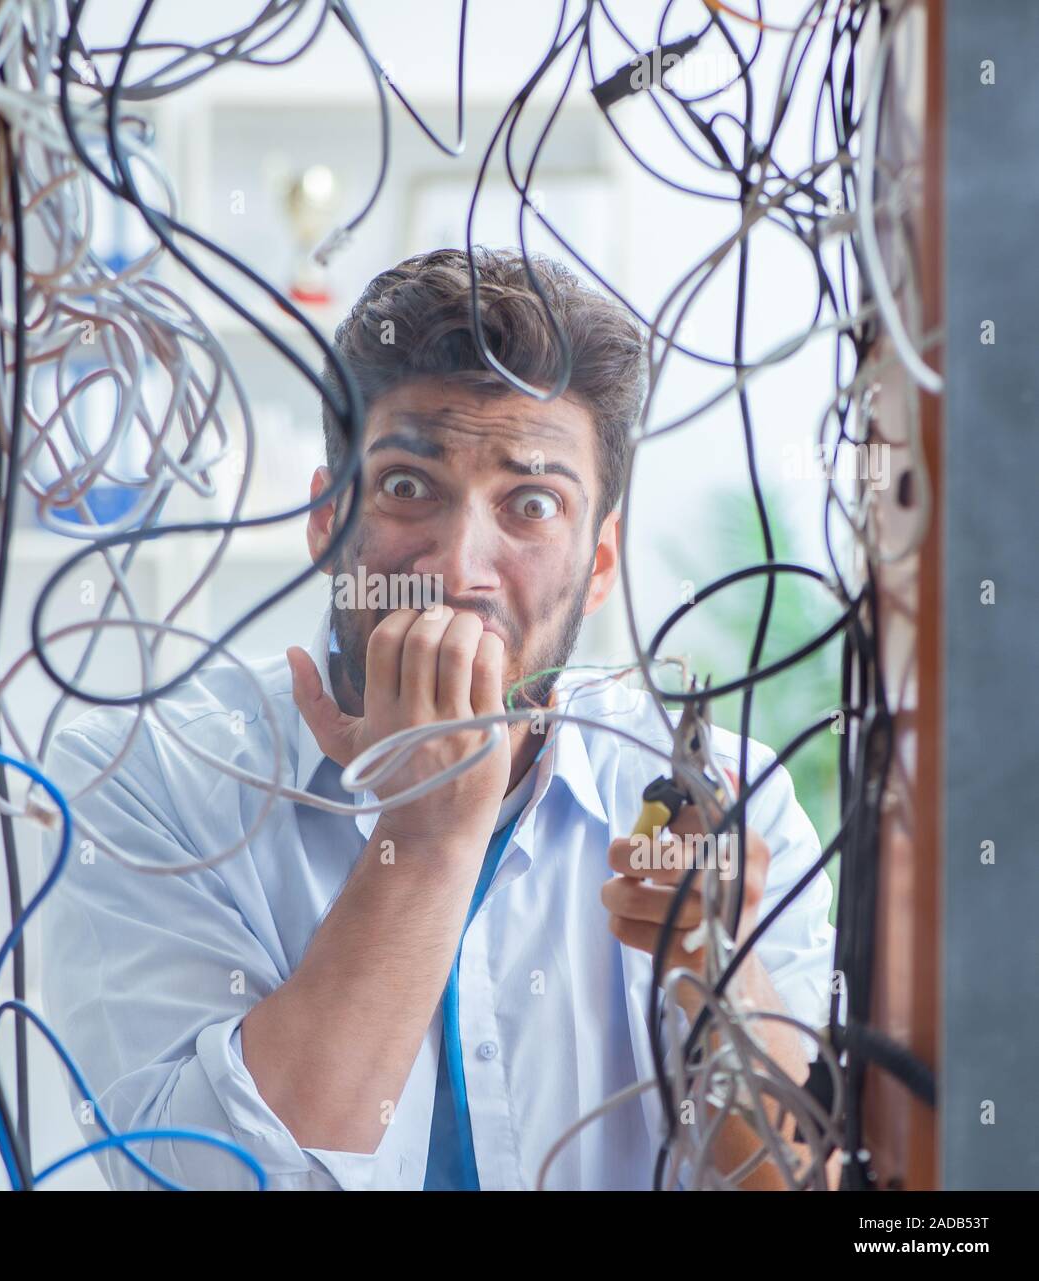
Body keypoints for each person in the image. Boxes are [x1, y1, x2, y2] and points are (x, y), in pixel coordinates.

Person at [41, 247, 837, 1190]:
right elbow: (196, 1179)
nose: (461, 568)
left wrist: (721, 978)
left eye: (531, 504)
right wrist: (423, 840)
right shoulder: (143, 778)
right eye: (410, 487)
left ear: (603, 560)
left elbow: (808, 1187)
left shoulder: (722, 805)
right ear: (327, 516)